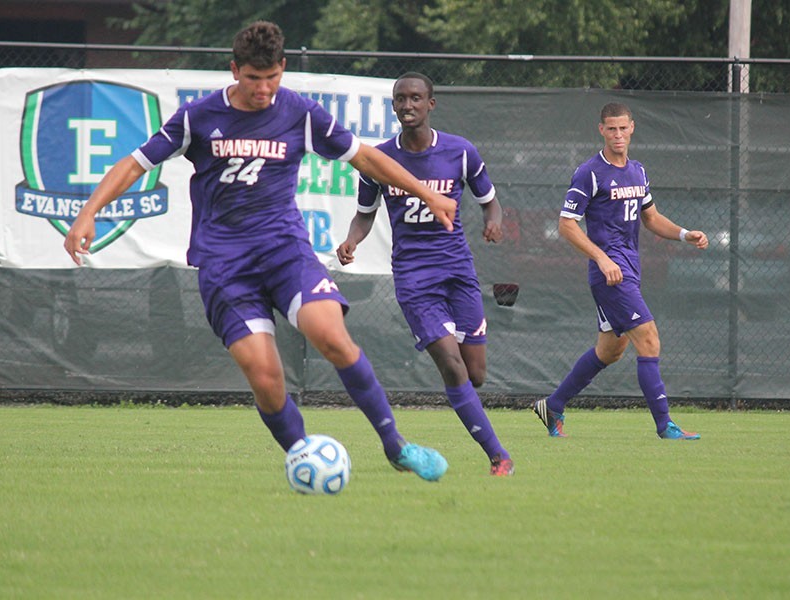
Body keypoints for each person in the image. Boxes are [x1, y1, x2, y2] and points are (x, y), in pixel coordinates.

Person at [64, 22, 458, 481]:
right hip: (225, 265)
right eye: (253, 78)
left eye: (271, 77)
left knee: (330, 336)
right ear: (235, 71)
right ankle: (303, 457)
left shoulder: (300, 113)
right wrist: (88, 212)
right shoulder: (198, 118)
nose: (263, 89)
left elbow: (365, 157)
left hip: (285, 251)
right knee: (266, 378)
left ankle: (397, 446)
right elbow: (135, 164)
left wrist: (426, 193)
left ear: (282, 69)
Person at [336, 72, 513, 477]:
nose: (408, 106)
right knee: (451, 365)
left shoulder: (461, 152)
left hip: (458, 272)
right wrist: (352, 240)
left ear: (431, 104)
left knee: (475, 375)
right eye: (401, 99)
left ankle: (479, 425)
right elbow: (365, 215)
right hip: (414, 279)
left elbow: (490, 202)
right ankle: (499, 456)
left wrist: (494, 222)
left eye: (416, 98)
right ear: (394, 105)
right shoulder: (379, 159)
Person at [533, 102, 708, 440]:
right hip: (610, 274)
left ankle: (554, 404)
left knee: (610, 351)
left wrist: (686, 234)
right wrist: (602, 258)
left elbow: (652, 218)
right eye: (610, 128)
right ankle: (665, 426)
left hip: (628, 268)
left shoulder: (638, 171)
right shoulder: (590, 172)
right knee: (649, 339)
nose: (617, 134)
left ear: (632, 128)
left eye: (622, 128)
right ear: (601, 130)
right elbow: (567, 225)